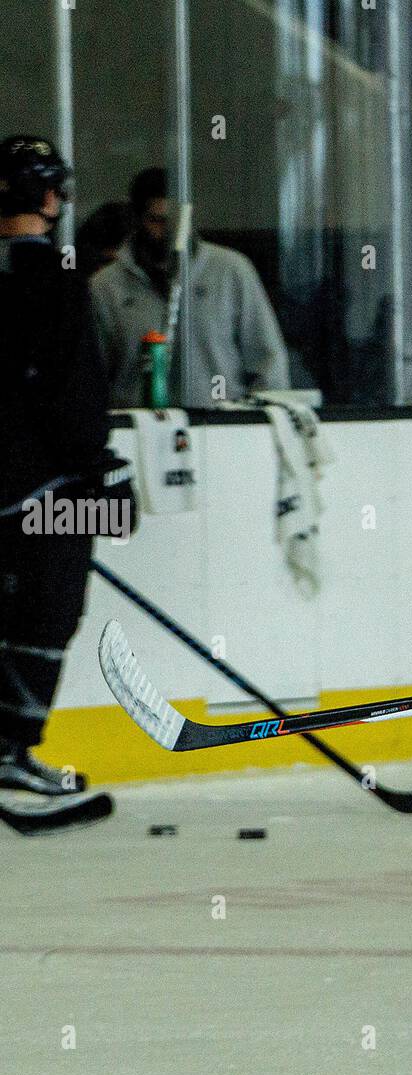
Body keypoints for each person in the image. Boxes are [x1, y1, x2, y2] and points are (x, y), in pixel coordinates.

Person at [0, 136, 136, 799]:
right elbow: (72, 395)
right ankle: (10, 748)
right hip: (46, 494)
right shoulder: (58, 283)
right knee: (46, 615)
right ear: (53, 199)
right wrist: (103, 472)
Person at [91, 168, 290, 408]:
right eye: (157, 220)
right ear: (138, 220)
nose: (169, 230)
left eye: (177, 218)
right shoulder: (106, 286)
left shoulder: (231, 271)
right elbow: (94, 375)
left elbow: (268, 361)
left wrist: (257, 426)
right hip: (139, 430)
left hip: (223, 427)